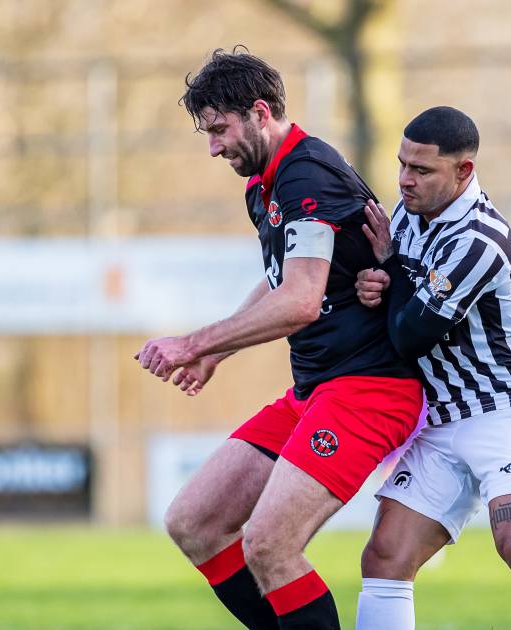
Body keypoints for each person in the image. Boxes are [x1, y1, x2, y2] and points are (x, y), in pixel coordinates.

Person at [134, 47, 424, 630]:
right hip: (317, 389)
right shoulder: (265, 185)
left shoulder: (307, 175)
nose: (213, 146)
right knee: (195, 522)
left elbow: (300, 300)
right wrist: (216, 350)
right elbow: (280, 283)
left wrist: (192, 343)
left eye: (219, 129)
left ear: (260, 112)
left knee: (269, 545)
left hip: (371, 389)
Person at [352, 106, 511, 629]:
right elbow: (394, 300)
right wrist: (376, 285)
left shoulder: (478, 240)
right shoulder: (406, 218)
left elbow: (409, 334)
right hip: (442, 418)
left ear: (464, 172)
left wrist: (391, 273)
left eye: (422, 170)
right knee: (385, 557)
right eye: (402, 164)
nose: (404, 180)